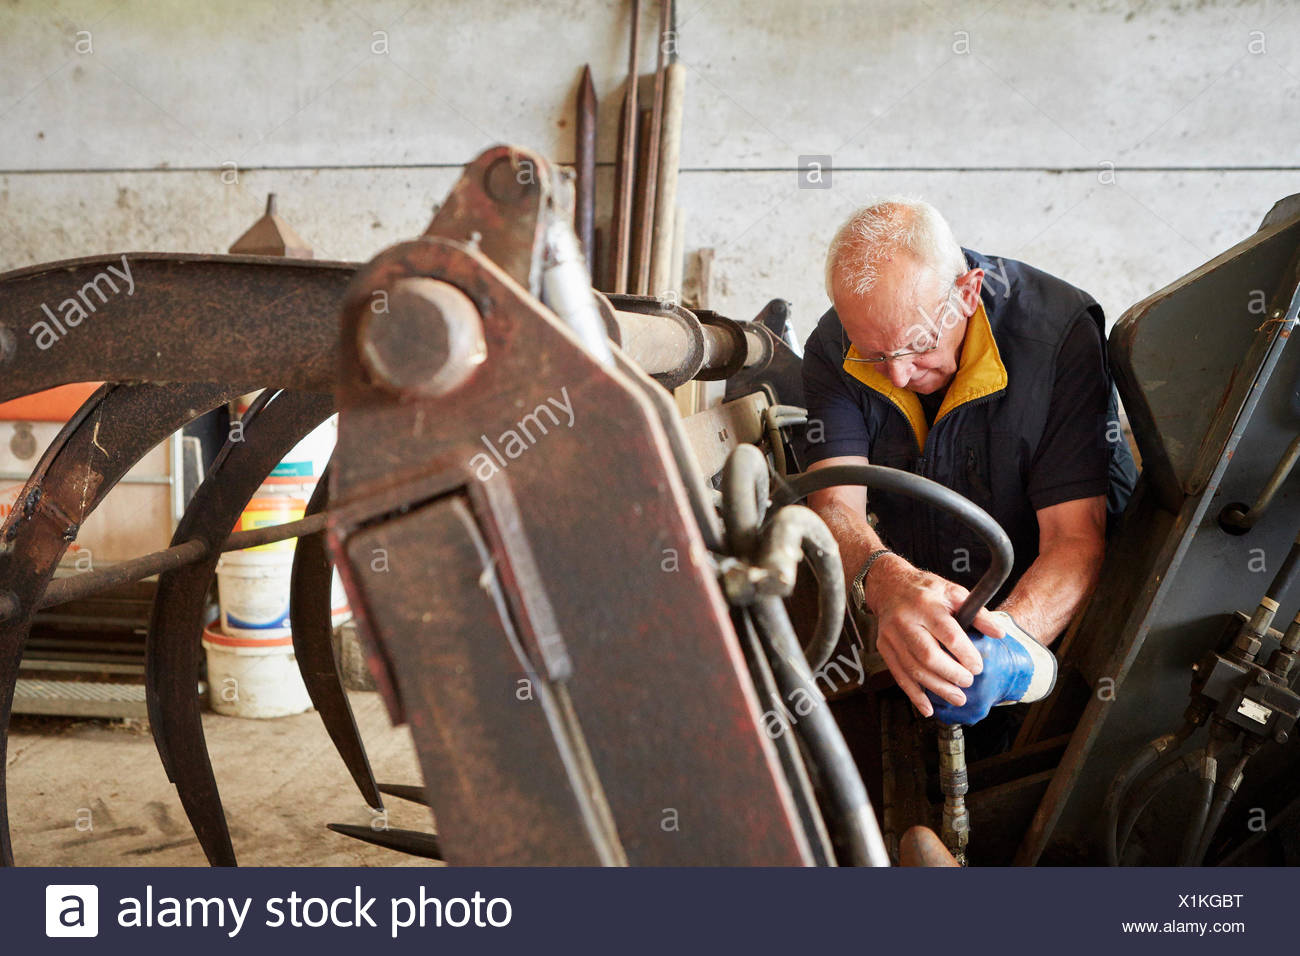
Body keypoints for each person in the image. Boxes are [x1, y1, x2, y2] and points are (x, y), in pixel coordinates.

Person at [800, 198, 1137, 719]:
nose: (898, 376)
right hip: (926, 611)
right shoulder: (835, 343)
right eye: (876, 354)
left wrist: (1005, 648)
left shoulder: (1057, 335)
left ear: (967, 294)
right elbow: (833, 503)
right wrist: (886, 581)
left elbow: (1076, 540)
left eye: (918, 345)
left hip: (1065, 628)